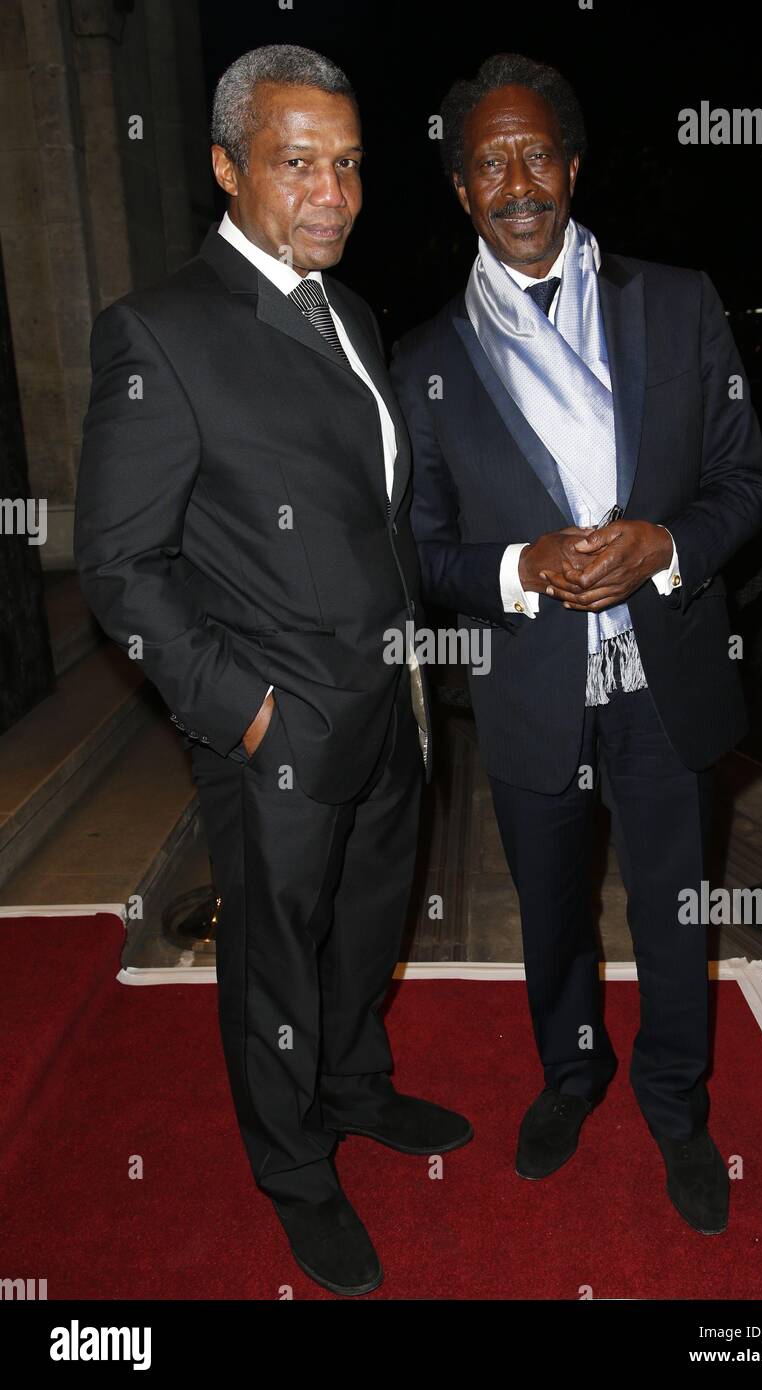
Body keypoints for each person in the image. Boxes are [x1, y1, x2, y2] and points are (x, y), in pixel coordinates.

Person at [74, 44, 470, 1298]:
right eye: (298, 162)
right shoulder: (161, 330)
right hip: (275, 729)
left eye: (348, 164)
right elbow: (121, 566)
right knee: (274, 962)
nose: (333, 192)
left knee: (365, 929)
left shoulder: (347, 312)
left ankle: (355, 1088)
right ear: (225, 167)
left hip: (390, 707)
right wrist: (243, 714)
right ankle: (294, 1172)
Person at [390, 53, 762, 1235]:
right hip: (531, 691)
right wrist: (520, 570)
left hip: (663, 678)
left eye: (534, 153)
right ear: (460, 187)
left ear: (570, 164)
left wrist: (663, 541)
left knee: (672, 910)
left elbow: (749, 479)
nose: (516, 180)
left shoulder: (676, 299)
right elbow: (420, 551)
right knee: (552, 915)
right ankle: (571, 1075)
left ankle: (674, 1100)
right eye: (487, 161)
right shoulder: (425, 363)